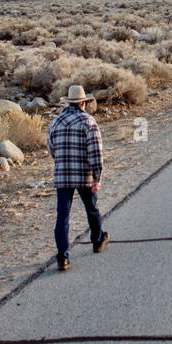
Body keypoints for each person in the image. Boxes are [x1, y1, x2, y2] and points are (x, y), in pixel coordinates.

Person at [46, 84, 109, 272]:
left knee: (63, 216)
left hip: (63, 174)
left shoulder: (56, 122)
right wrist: (97, 176)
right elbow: (95, 152)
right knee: (91, 208)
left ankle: (62, 256)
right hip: (83, 174)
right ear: (83, 103)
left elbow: (51, 147)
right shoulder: (88, 122)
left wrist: (62, 161)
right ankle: (98, 240)